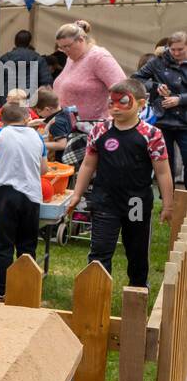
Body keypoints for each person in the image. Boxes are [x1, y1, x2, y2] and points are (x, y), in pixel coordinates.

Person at [66, 79, 173, 289]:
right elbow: (88, 164)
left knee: (137, 252)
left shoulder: (151, 134)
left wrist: (168, 204)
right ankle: (96, 295)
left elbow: (162, 170)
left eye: (122, 103)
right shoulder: (99, 131)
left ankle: (138, 292)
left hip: (136, 203)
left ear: (141, 104)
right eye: (111, 103)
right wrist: (77, 194)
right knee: (100, 251)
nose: (115, 108)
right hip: (105, 201)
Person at [0, 103, 46, 301]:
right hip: (31, 194)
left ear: (2, 120)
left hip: (6, 192)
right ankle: (26, 290)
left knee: (4, 244)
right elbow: (43, 169)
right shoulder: (37, 136)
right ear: (28, 118)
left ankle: (3, 290)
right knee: (27, 244)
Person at [133, 31, 187, 186]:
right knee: (164, 163)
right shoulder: (158, 61)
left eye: (180, 50)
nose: (176, 53)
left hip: (185, 120)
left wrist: (180, 99)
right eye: (173, 49)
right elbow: (136, 78)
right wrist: (156, 87)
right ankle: (167, 202)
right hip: (163, 120)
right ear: (167, 48)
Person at [53, 21, 125, 121]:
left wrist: (112, 120)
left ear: (81, 40)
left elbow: (123, 89)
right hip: (68, 126)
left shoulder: (99, 57)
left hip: (91, 128)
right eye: (61, 48)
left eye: (67, 46)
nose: (65, 51)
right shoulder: (71, 58)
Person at [0, 29, 53, 97]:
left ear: (15, 42)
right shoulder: (38, 59)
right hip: (30, 99)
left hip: (8, 98)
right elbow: (46, 83)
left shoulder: (4, 59)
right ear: (29, 42)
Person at [34, 87, 75, 158]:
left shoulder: (55, 123)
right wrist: (38, 122)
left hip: (62, 159)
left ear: (47, 109)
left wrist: (39, 144)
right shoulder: (64, 111)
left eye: (38, 111)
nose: (39, 114)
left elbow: (62, 145)